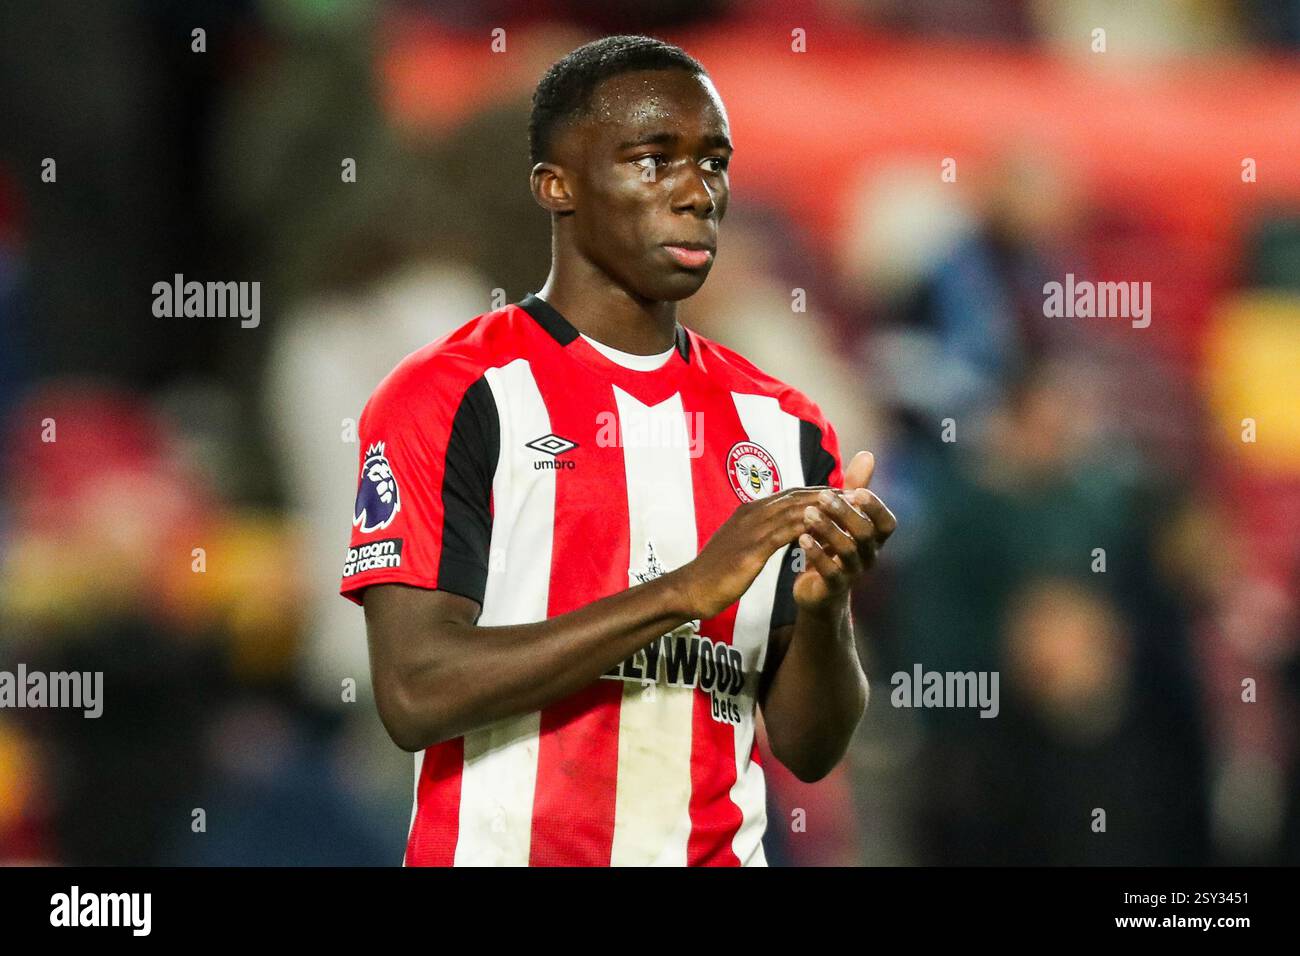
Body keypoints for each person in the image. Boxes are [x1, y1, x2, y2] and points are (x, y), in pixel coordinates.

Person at [339, 35, 896, 866]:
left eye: (713, 163)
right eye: (651, 160)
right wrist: (680, 592)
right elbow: (416, 691)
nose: (696, 192)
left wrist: (823, 614)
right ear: (556, 186)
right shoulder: (452, 396)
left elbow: (808, 748)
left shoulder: (785, 426)